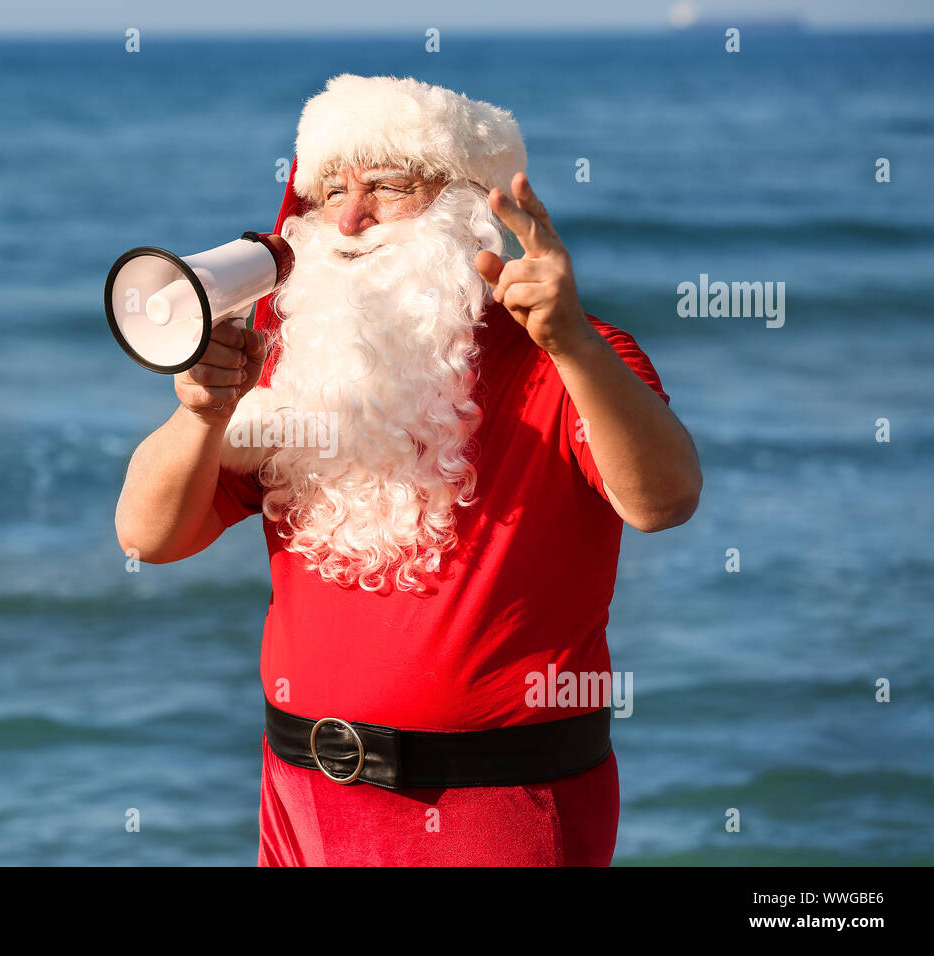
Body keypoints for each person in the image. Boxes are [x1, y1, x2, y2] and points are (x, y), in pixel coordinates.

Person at [114, 74, 702, 866]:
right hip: (299, 802)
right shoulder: (297, 362)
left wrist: (573, 345)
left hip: (495, 809)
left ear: (470, 205)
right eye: (329, 192)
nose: (350, 217)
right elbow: (146, 536)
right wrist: (201, 413)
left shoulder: (572, 357)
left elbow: (664, 501)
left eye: (389, 186)